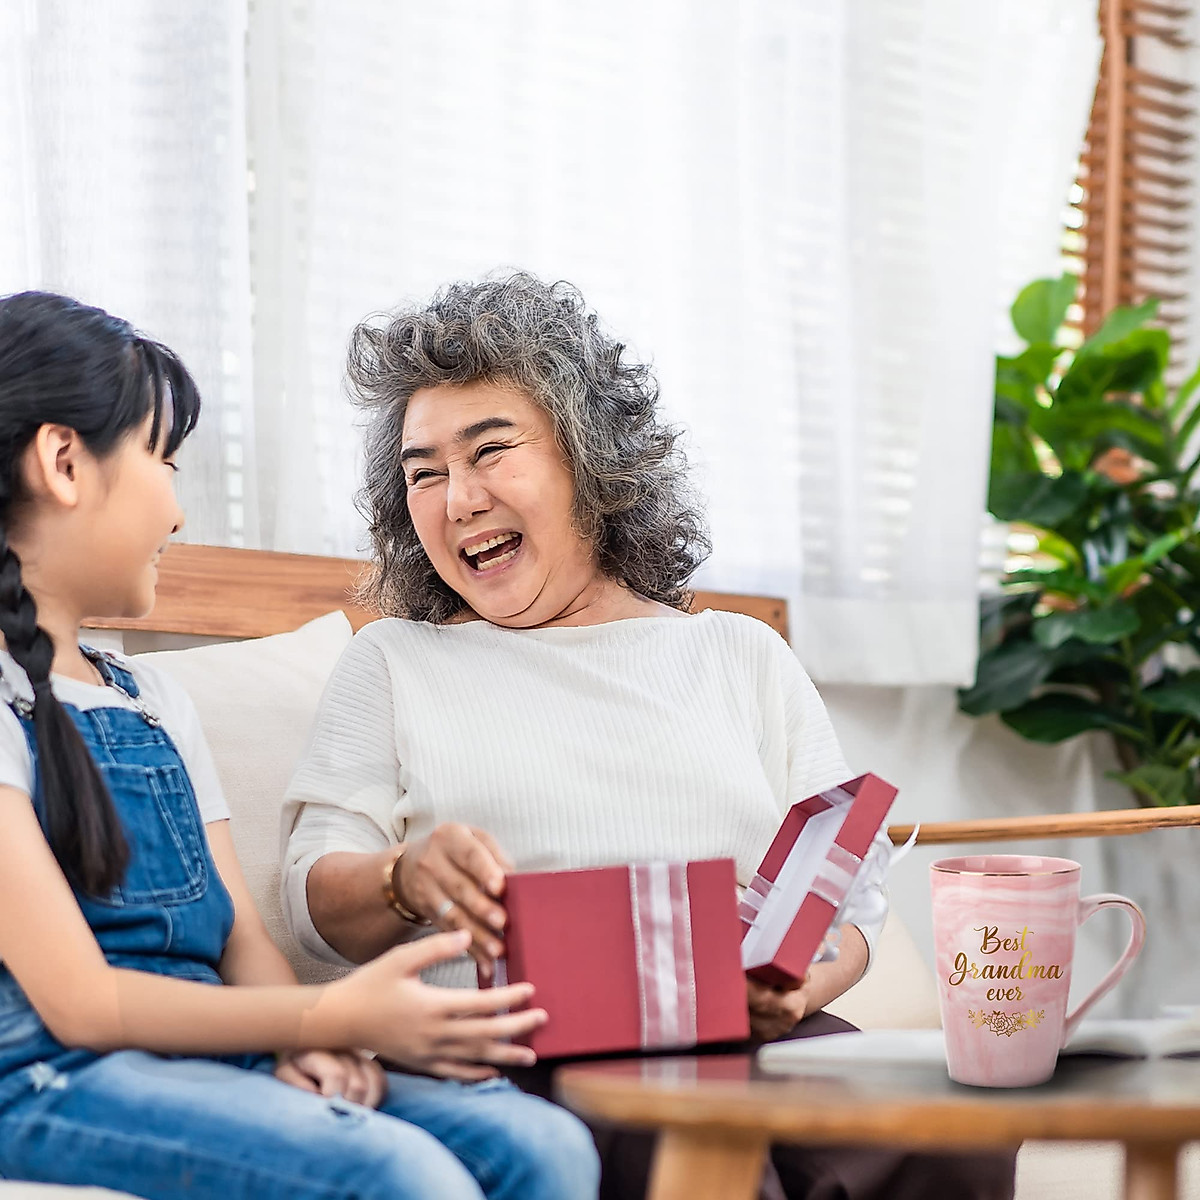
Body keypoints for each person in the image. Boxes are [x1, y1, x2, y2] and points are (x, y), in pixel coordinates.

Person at [281, 272, 1016, 1200]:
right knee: (711, 1161)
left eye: (490, 451)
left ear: (589, 461)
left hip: (758, 1040)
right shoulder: (396, 661)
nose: (456, 497)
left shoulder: (739, 654)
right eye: (423, 472)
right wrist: (405, 874)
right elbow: (311, 903)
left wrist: (797, 991)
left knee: (962, 1130)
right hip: (539, 1053)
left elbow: (845, 910)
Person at [0, 291, 600, 1200]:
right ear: (63, 462)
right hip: (54, 1076)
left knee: (545, 1147)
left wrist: (304, 1036)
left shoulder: (151, 700)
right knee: (403, 1174)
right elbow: (82, 1004)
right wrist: (335, 1010)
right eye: (164, 460)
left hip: (207, 1056)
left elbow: (241, 937)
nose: (177, 513)